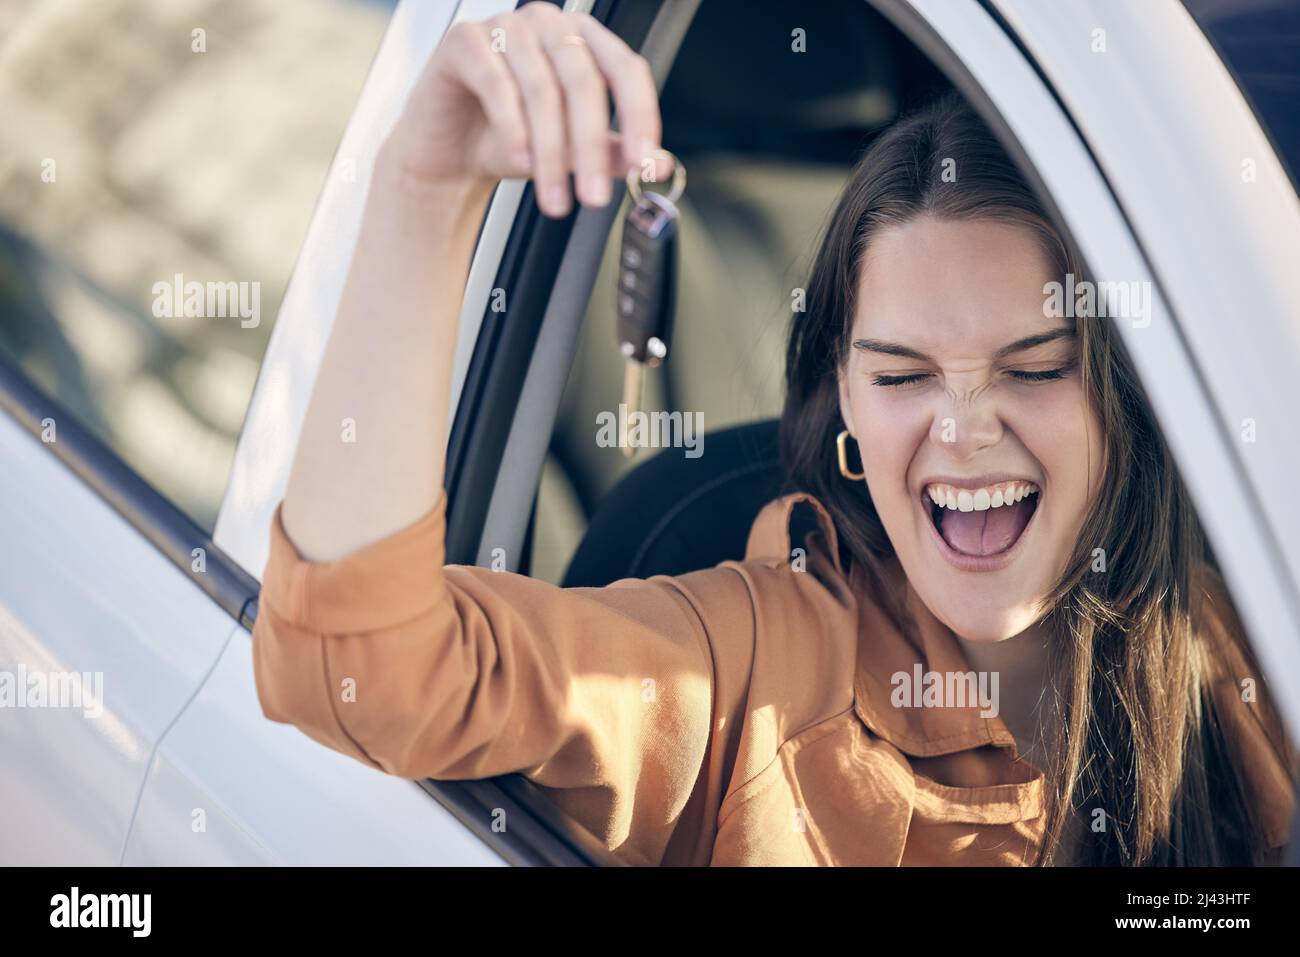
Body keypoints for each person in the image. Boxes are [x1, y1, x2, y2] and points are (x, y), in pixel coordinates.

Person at [251, 2, 1295, 866]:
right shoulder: (758, 670)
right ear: (839, 396)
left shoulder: (1236, 615)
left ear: (1122, 392)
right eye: (900, 375)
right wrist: (423, 185)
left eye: (1031, 368)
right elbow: (362, 671)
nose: (965, 430)